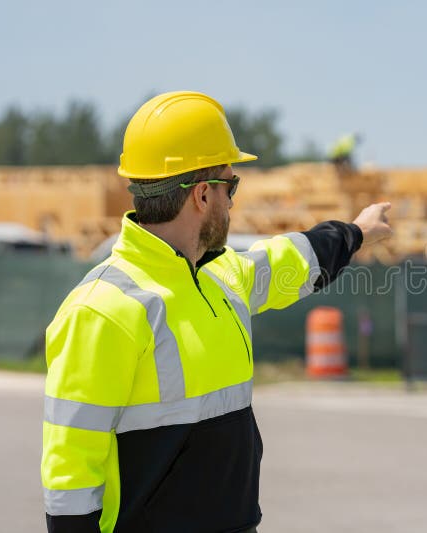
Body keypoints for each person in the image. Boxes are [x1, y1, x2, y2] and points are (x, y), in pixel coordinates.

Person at [40, 91, 392, 533]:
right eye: (232, 185)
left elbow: (292, 260)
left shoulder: (221, 276)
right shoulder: (102, 310)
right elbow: (70, 477)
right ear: (203, 195)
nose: (232, 201)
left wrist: (357, 233)